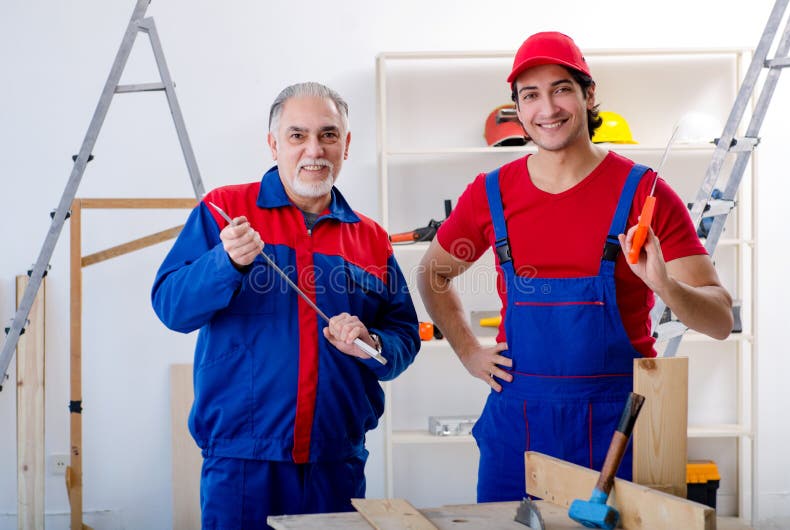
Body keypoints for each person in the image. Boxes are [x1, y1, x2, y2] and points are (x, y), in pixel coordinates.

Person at [417, 32, 734, 502]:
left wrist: (666, 286)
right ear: (518, 108)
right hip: (518, 431)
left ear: (588, 94)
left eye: (561, 89)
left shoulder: (645, 194)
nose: (547, 108)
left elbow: (720, 320)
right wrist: (468, 351)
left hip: (619, 430)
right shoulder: (490, 194)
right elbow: (432, 273)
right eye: (530, 95)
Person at [152, 81, 420, 527]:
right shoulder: (224, 210)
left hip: (336, 462)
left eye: (328, 135)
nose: (314, 149)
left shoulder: (370, 237)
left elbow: (404, 336)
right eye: (298, 135)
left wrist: (372, 343)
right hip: (243, 463)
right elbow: (171, 307)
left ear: (346, 145)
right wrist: (225, 263)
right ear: (274, 144)